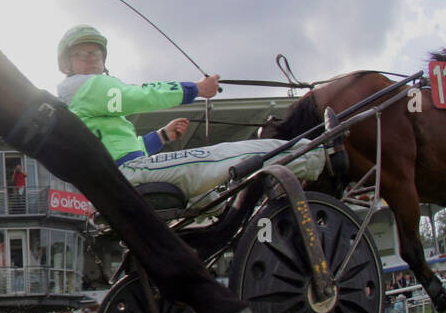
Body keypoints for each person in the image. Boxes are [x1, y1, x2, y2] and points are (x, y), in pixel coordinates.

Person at [55, 25, 340, 201]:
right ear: (67, 65)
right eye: (81, 54)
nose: (91, 58)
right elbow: (140, 95)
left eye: (96, 53)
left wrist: (161, 136)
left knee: (215, 199)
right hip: (131, 173)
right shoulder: (89, 87)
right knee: (229, 155)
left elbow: (121, 149)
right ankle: (317, 154)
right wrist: (196, 89)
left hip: (124, 174)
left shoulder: (82, 102)